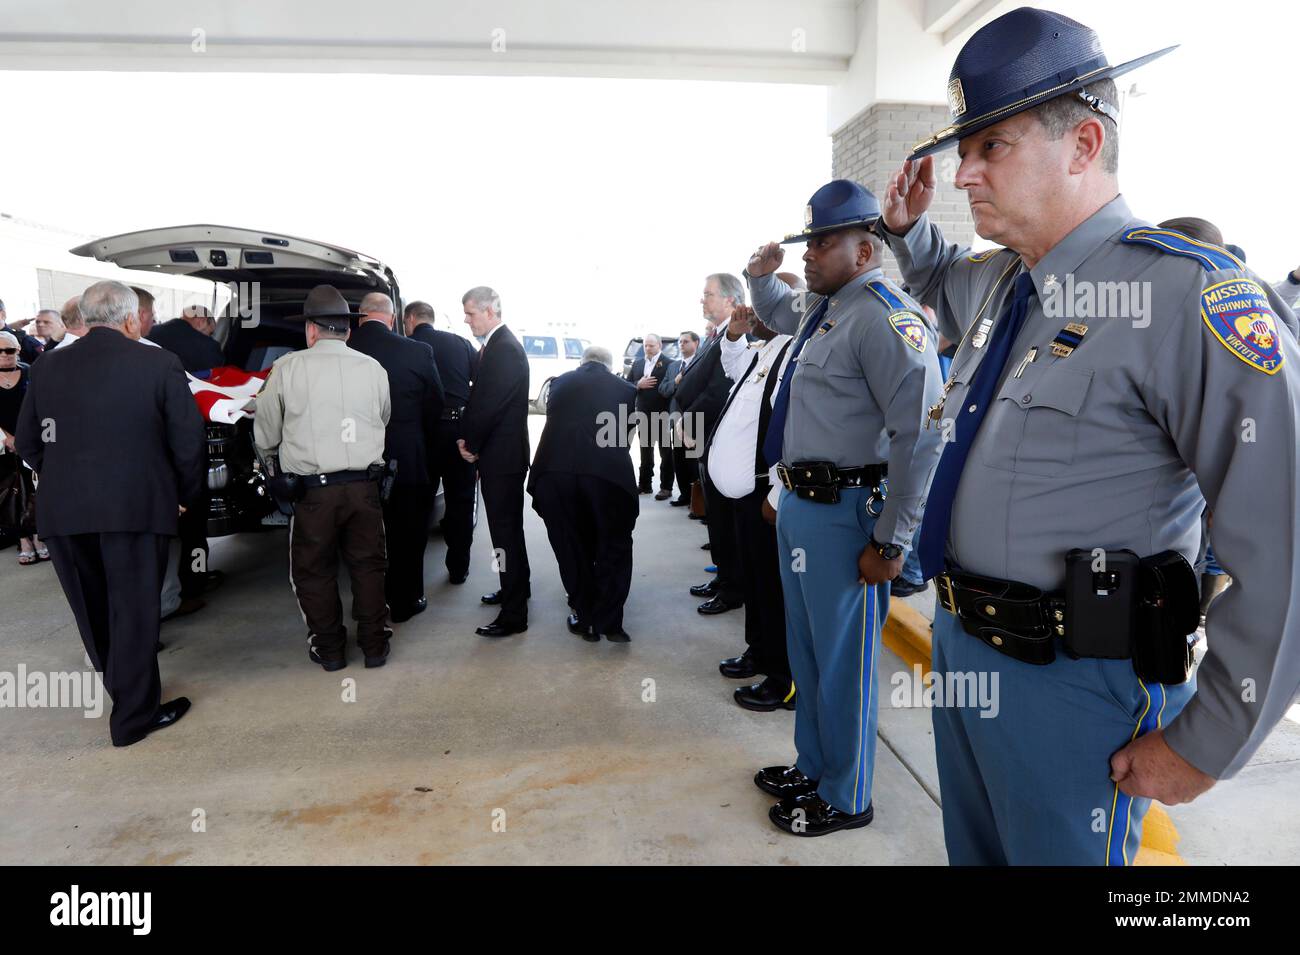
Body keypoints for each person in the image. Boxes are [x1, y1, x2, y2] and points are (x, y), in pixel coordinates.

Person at [881, 6, 1300, 865]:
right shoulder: (1008, 286)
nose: (963, 174)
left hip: (1076, 685)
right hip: (964, 650)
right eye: (964, 151)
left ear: (1082, 144)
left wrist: (1207, 739)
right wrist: (902, 231)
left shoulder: (1185, 295)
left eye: (988, 146)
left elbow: (1286, 539)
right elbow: (933, 278)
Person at [744, 178, 944, 837]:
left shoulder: (887, 315)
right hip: (805, 504)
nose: (809, 254)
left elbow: (924, 432)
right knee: (808, 653)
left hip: (850, 511)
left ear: (865, 251)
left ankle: (848, 793)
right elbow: (777, 311)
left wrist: (892, 543)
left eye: (822, 243)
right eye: (810, 242)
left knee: (845, 664)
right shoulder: (828, 309)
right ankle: (815, 764)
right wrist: (759, 278)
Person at [16, 281, 204, 746]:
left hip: (65, 513)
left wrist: (63, 479)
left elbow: (27, 443)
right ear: (130, 319)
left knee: (93, 611)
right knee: (135, 611)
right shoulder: (158, 362)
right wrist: (183, 496)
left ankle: (124, 697)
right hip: (136, 507)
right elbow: (188, 440)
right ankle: (134, 717)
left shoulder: (47, 366)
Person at [253, 285, 392, 670]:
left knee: (313, 572)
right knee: (369, 566)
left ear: (311, 330)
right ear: (347, 330)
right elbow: (383, 418)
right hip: (365, 488)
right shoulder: (373, 368)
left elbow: (266, 432)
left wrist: (271, 462)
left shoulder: (287, 368)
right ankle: (375, 645)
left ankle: (330, 651)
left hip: (314, 493)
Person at [709, 301, 797, 710]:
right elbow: (732, 366)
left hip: (767, 498)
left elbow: (791, 429)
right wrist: (734, 335)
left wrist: (776, 494)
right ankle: (758, 651)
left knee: (775, 589)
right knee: (756, 581)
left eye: (764, 307)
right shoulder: (766, 347)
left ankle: (783, 678)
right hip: (744, 498)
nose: (755, 314)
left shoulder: (795, 348)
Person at [528, 345, 638, 642]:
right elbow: (624, 437)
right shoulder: (627, 389)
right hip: (607, 475)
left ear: (582, 363)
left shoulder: (558, 381)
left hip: (555, 473)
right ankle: (612, 622)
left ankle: (586, 616)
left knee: (570, 545)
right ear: (609, 364)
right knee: (613, 544)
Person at [350, 292, 445, 622]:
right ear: (392, 318)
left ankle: (366, 605)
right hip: (405, 456)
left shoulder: (345, 349)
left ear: (361, 317)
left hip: (351, 457)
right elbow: (436, 403)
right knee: (407, 532)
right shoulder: (417, 351)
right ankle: (405, 601)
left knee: (359, 535)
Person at [458, 286, 532, 638]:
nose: (466, 319)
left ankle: (514, 613)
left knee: (505, 535)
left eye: (471, 313)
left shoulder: (503, 349)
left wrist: (470, 443)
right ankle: (516, 589)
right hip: (502, 456)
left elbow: (488, 406)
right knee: (507, 533)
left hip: (501, 458)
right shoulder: (497, 346)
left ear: (490, 311)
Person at [678, 274, 745, 615]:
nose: (702, 300)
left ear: (731, 301)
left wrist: (684, 419)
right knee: (715, 518)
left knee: (725, 518)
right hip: (706, 437)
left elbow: (718, 391)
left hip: (718, 436)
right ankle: (723, 577)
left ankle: (733, 589)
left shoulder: (738, 339)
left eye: (708, 294)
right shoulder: (716, 336)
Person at [404, 300, 479, 584]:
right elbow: (478, 380)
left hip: (423, 432)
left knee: (418, 504)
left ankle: (413, 577)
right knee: (461, 501)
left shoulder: (406, 345)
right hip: (458, 430)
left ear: (410, 319)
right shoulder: (460, 343)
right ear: (431, 319)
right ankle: (458, 569)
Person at [0, 330, 44, 563]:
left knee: (34, 491)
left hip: (31, 442)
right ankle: (23, 539)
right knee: (12, 492)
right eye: (0, 351)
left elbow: (42, 406)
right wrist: (7, 437)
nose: (5, 355)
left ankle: (38, 535)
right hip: (3, 447)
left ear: (18, 349)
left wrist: (27, 437)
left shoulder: (31, 373)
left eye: (10, 350)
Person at [624, 333, 674, 498]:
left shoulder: (670, 364)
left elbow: (671, 389)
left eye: (651, 345)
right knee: (645, 451)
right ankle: (644, 484)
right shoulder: (638, 364)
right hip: (643, 413)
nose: (647, 348)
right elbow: (626, 385)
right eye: (645, 345)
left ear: (659, 345)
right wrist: (638, 384)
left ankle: (666, 487)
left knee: (665, 452)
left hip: (663, 414)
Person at [659, 330, 699, 506]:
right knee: (679, 460)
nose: (681, 345)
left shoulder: (701, 362)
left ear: (696, 343)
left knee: (694, 461)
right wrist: (675, 382)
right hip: (676, 419)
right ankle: (684, 496)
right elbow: (663, 389)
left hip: (695, 418)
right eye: (680, 342)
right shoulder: (673, 366)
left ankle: (697, 501)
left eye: (685, 342)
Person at [148, 304, 224, 372]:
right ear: (201, 322)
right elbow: (215, 375)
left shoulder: (149, 332)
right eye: (210, 333)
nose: (210, 337)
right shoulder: (209, 347)